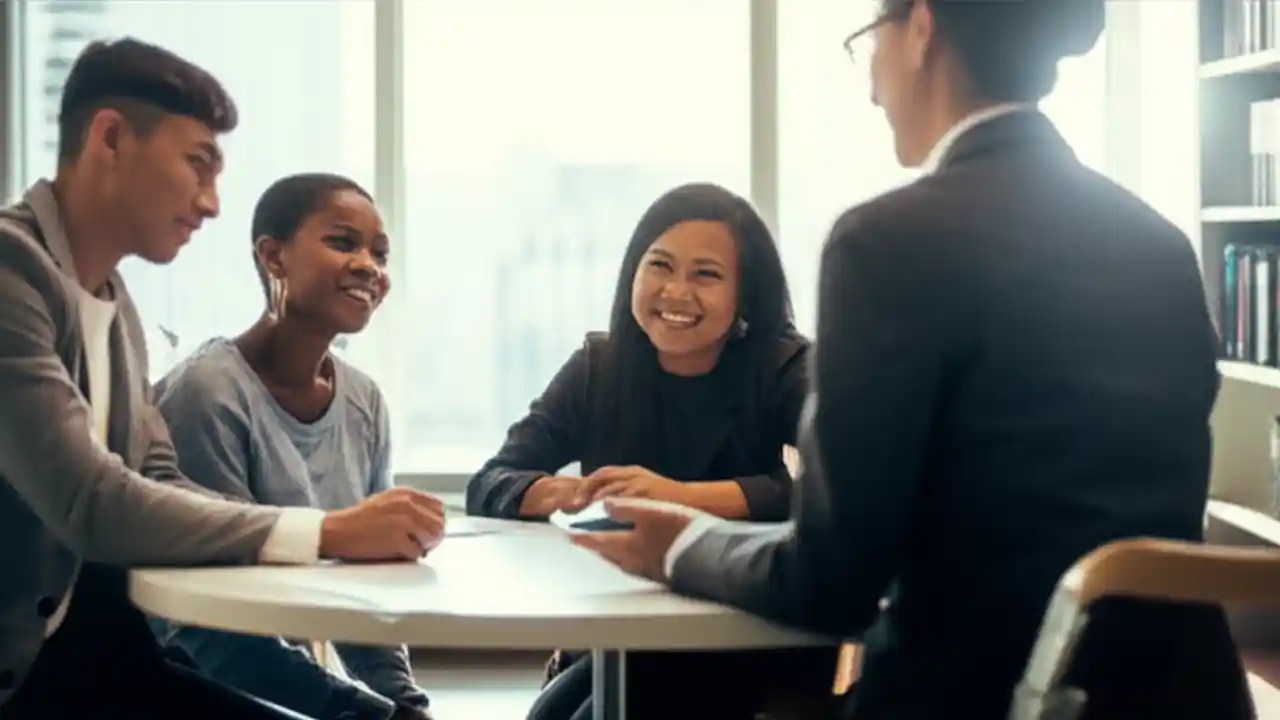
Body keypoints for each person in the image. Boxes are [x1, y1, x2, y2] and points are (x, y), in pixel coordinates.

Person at [571, 2, 1257, 719]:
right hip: (1179, 696)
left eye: (869, 39)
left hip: (982, 698)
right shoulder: (1160, 245)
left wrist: (683, 547)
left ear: (921, 28)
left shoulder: (886, 245)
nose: (870, 84)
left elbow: (832, 582)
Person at [0, 39, 445, 720]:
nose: (211, 204)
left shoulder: (116, 310)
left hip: (89, 653)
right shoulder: (11, 274)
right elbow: (91, 502)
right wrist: (328, 533)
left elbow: (159, 479)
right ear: (111, 137)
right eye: (197, 165)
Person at [468, 183, 837, 719]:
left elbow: (833, 492)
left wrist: (682, 499)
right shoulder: (600, 366)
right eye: (660, 266)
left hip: (749, 633)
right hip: (623, 626)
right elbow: (493, 479)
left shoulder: (786, 369)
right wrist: (563, 492)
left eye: (706, 275)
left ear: (746, 296)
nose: (676, 292)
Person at [149, 173, 433, 720]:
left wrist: (405, 704)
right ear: (273, 257)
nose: (370, 267)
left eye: (380, 253)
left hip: (290, 682)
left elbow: (370, 587)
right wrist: (362, 711)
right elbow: (211, 629)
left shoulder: (364, 401)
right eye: (343, 242)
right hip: (182, 681)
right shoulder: (207, 395)